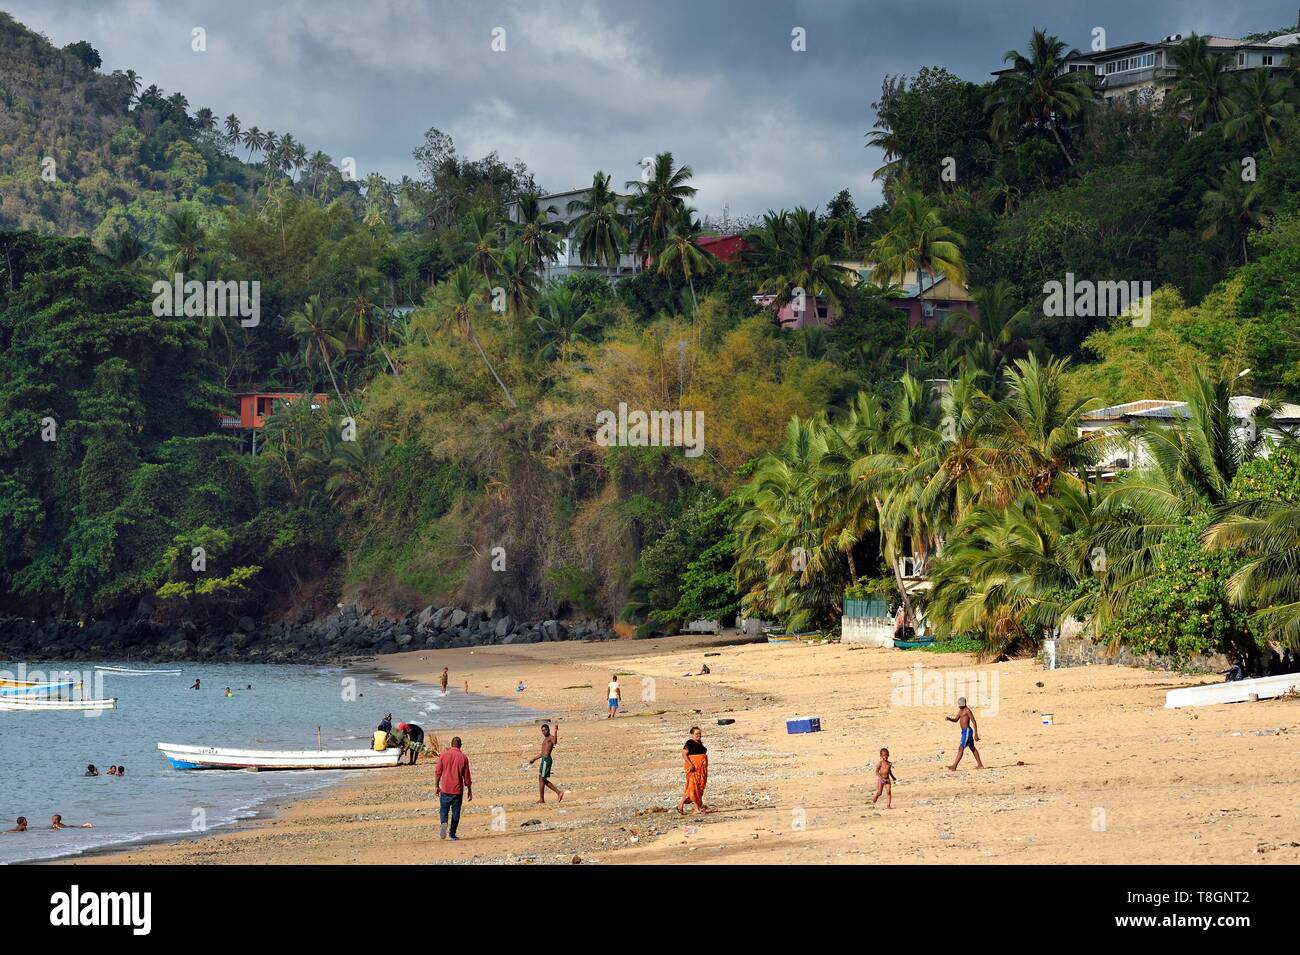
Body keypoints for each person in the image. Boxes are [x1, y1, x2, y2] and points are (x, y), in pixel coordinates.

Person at [434, 736, 472, 841]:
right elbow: (467, 776)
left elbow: (438, 772)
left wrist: (437, 786)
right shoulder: (463, 757)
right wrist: (469, 789)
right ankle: (452, 833)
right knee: (456, 812)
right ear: (460, 745)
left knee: (444, 808)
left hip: (445, 788)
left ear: (451, 745)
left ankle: (444, 822)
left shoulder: (443, 755)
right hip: (457, 790)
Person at [676, 726, 712, 814]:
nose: (698, 735)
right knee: (693, 787)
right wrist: (690, 764)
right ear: (692, 735)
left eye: (699, 733)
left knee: (697, 788)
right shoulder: (689, 743)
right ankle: (695, 809)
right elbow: (684, 754)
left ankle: (681, 805)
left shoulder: (700, 743)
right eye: (696, 734)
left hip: (701, 770)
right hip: (693, 769)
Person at [946, 697, 983, 770]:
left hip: (967, 731)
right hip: (964, 732)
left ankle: (954, 766)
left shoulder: (967, 710)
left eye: (959, 704)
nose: (958, 706)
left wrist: (976, 734)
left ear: (963, 704)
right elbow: (956, 720)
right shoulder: (960, 711)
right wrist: (950, 719)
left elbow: (974, 721)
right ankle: (980, 765)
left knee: (961, 748)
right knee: (972, 748)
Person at [529, 723, 563, 803]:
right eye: (542, 730)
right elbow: (542, 753)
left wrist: (555, 731)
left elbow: (555, 742)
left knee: (542, 779)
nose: (544, 732)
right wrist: (534, 759)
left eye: (545, 730)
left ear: (548, 730)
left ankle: (558, 792)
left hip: (547, 760)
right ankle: (542, 799)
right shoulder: (545, 739)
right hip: (543, 760)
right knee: (541, 779)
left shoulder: (550, 737)